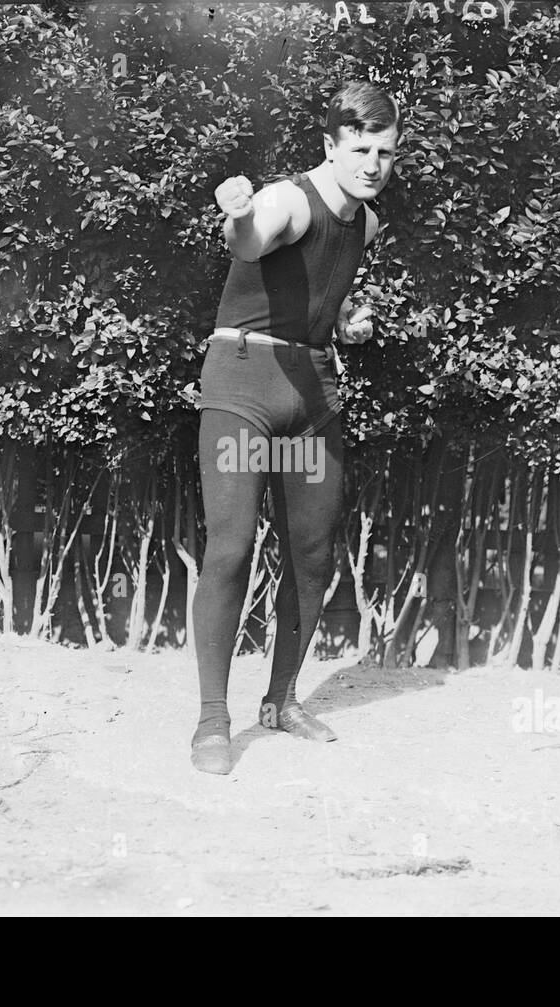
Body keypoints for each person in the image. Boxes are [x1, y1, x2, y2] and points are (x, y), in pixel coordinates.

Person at [190, 81, 401, 775]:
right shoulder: (285, 198)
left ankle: (281, 699)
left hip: (312, 391)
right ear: (331, 146)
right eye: (360, 149)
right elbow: (251, 243)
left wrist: (348, 323)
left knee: (312, 553)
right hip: (242, 385)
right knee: (230, 548)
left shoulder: (366, 223)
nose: (372, 164)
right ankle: (213, 722)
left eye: (385, 152)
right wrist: (236, 214)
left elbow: (316, 299)